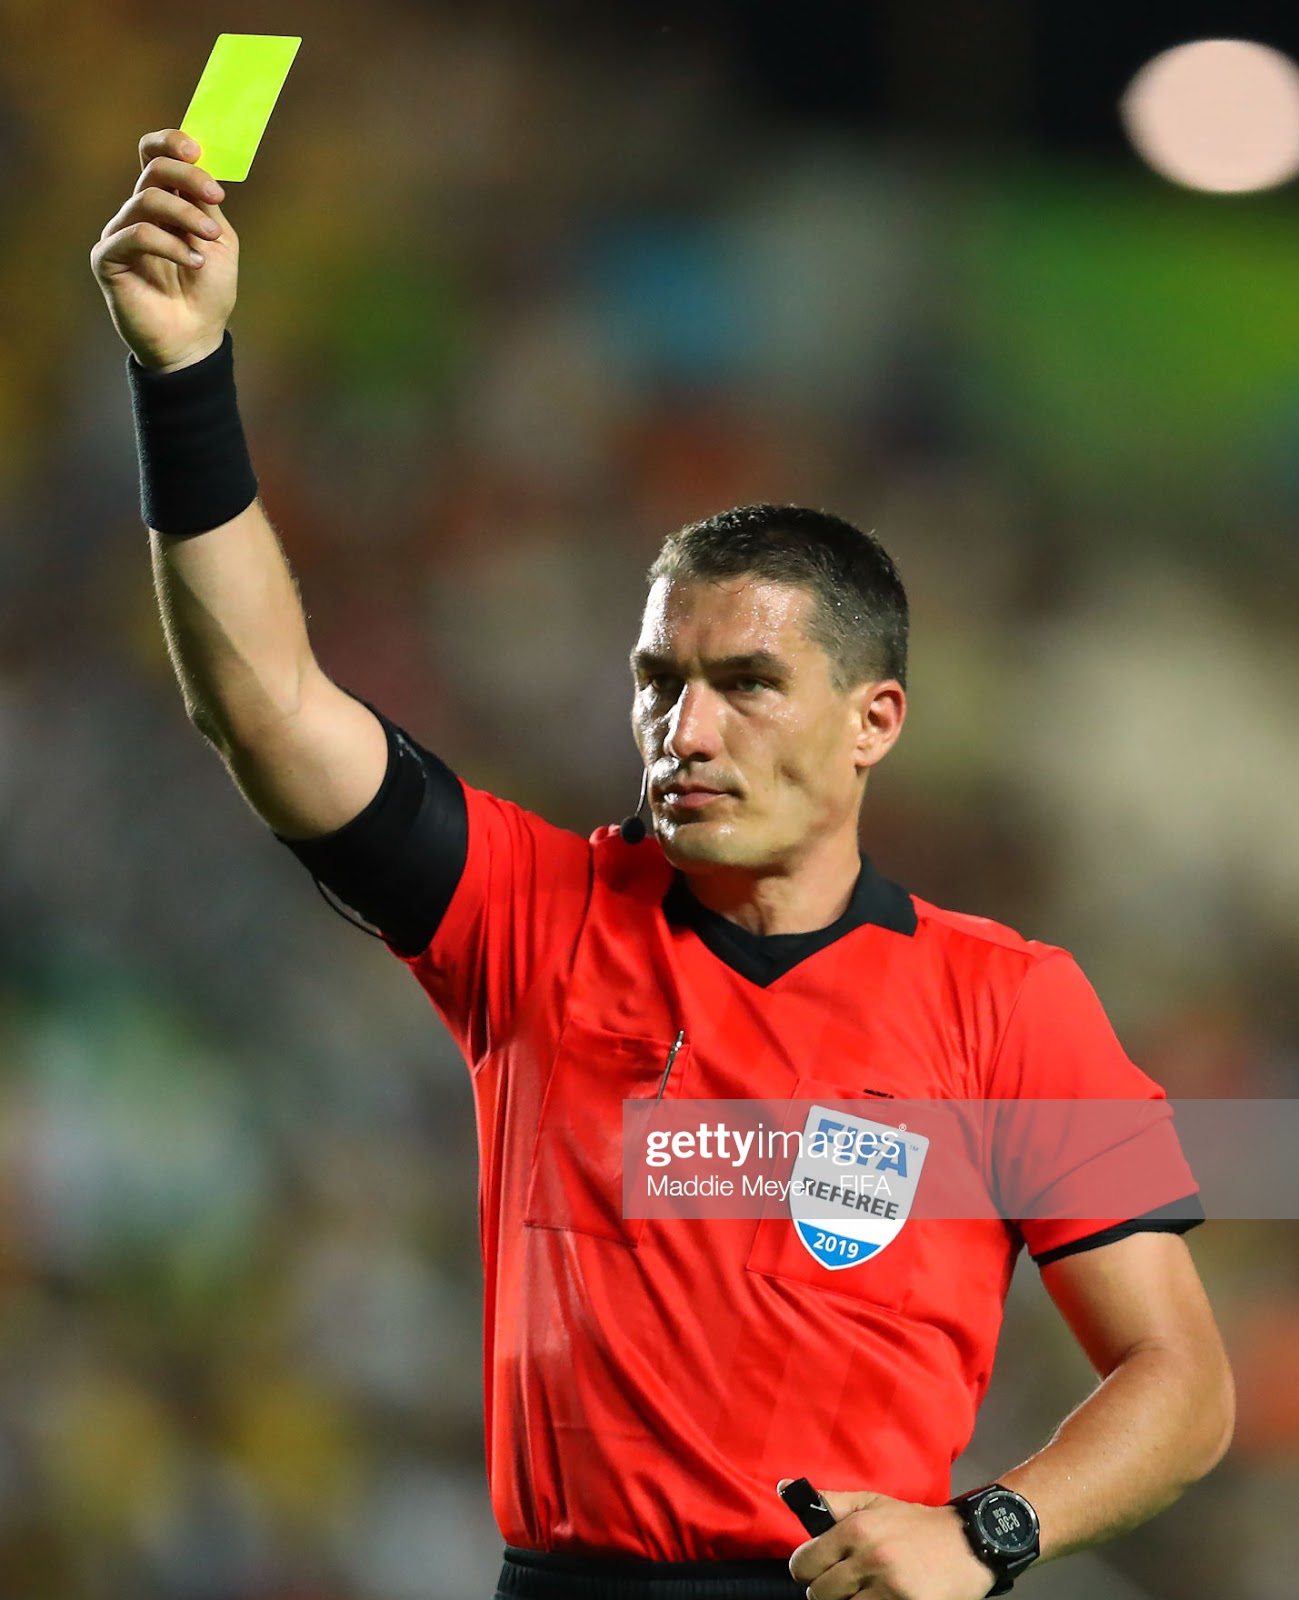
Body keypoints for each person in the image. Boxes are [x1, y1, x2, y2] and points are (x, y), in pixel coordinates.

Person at [92, 129, 1236, 1600]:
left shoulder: (1011, 1004)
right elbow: (262, 702)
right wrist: (180, 377)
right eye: (657, 679)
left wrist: (986, 1533)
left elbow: (1183, 1382)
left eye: (747, 683)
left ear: (873, 717)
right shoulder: (531, 917)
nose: (683, 727)